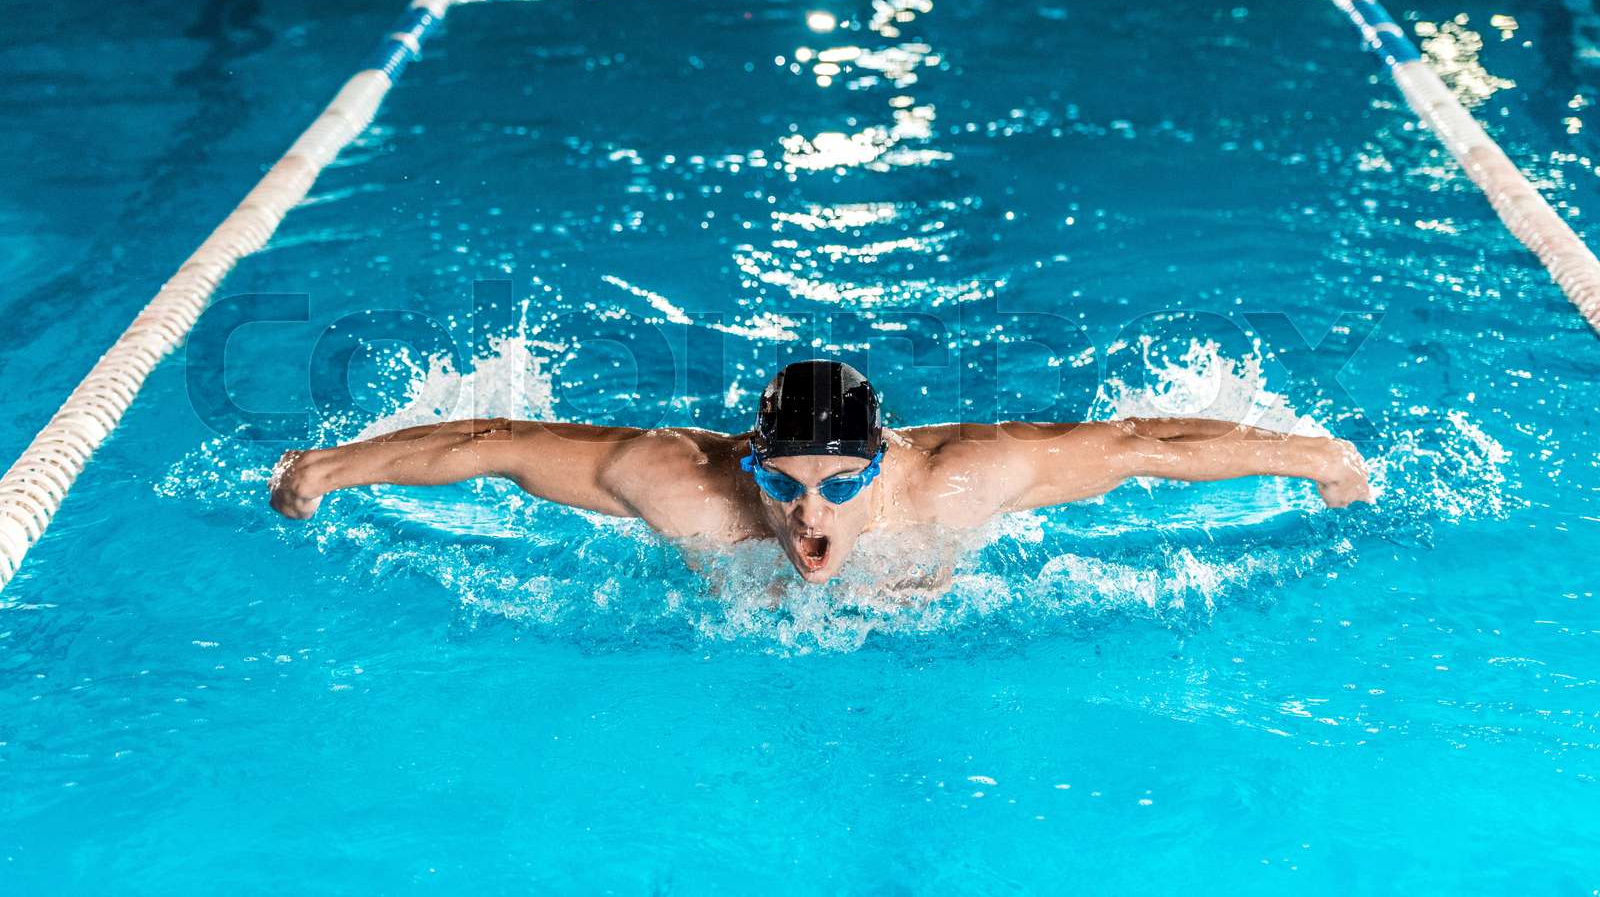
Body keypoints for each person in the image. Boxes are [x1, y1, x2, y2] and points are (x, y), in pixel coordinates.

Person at [269, 359, 1373, 585]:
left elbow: (1140, 449)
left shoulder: (960, 479)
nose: (807, 516)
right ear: (745, 461)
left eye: (838, 486)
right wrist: (331, 470)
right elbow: (495, 443)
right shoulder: (677, 484)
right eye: (784, 483)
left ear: (882, 460)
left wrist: (1314, 460)